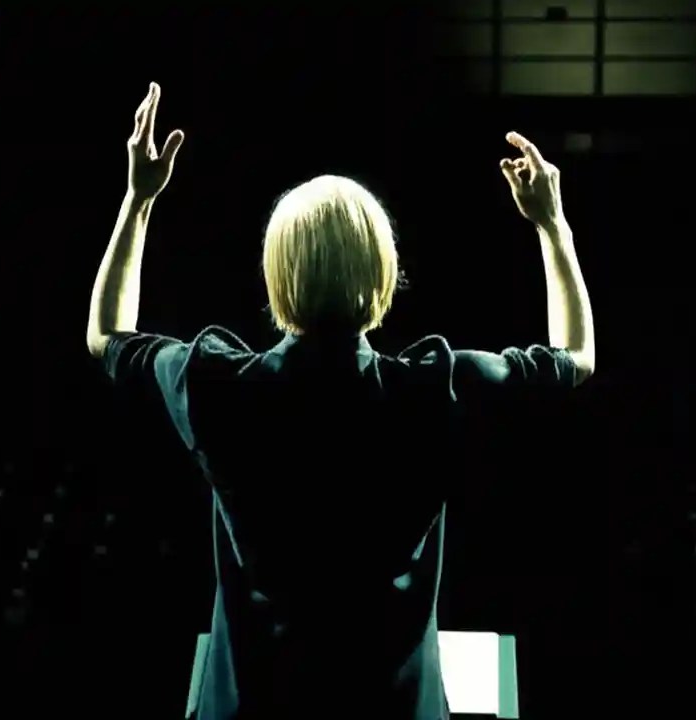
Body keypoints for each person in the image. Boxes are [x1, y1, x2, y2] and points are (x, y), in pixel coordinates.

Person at [86, 83, 595, 720]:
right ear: (382, 273)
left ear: (277, 271)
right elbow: (577, 358)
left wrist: (138, 199)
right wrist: (552, 223)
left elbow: (105, 336)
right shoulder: (434, 392)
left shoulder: (217, 386)